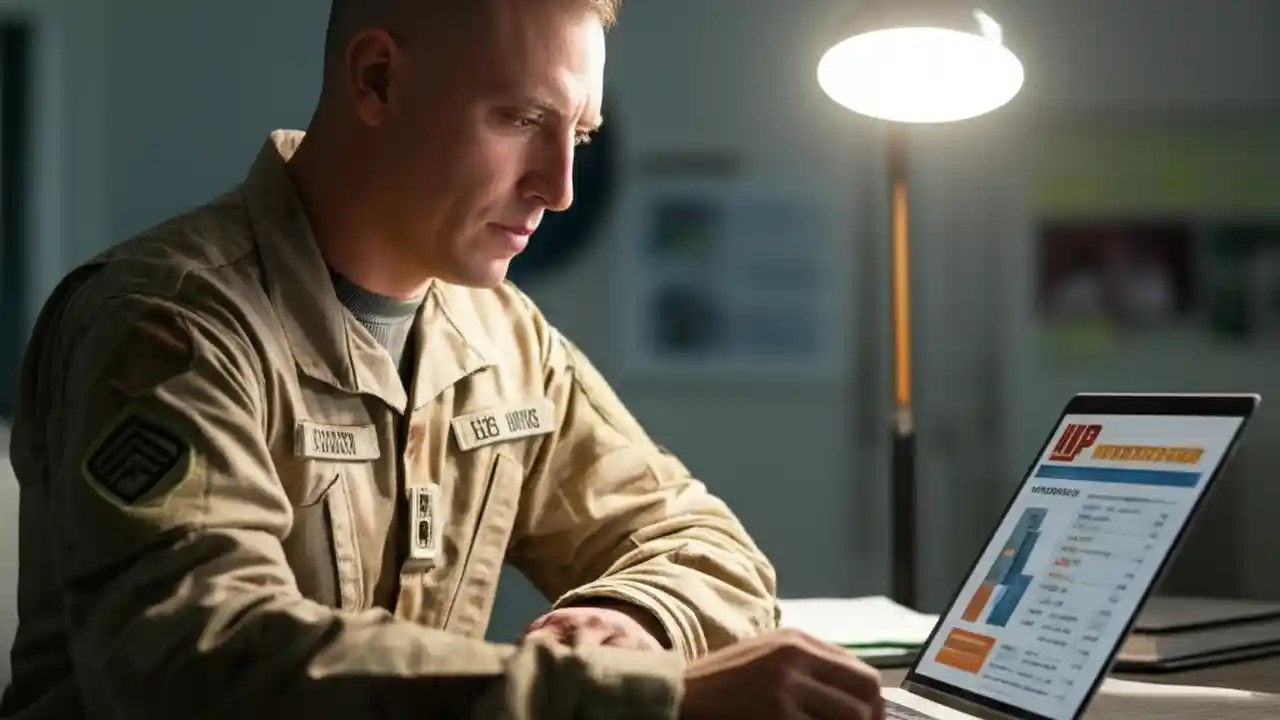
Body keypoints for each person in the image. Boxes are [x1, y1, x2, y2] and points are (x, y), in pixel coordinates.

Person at [1, 0, 885, 717]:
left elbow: (700, 541)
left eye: (577, 134)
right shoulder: (169, 324)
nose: (559, 186)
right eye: (521, 118)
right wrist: (645, 699)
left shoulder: (501, 337)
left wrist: (633, 620)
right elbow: (201, 658)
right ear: (377, 78)